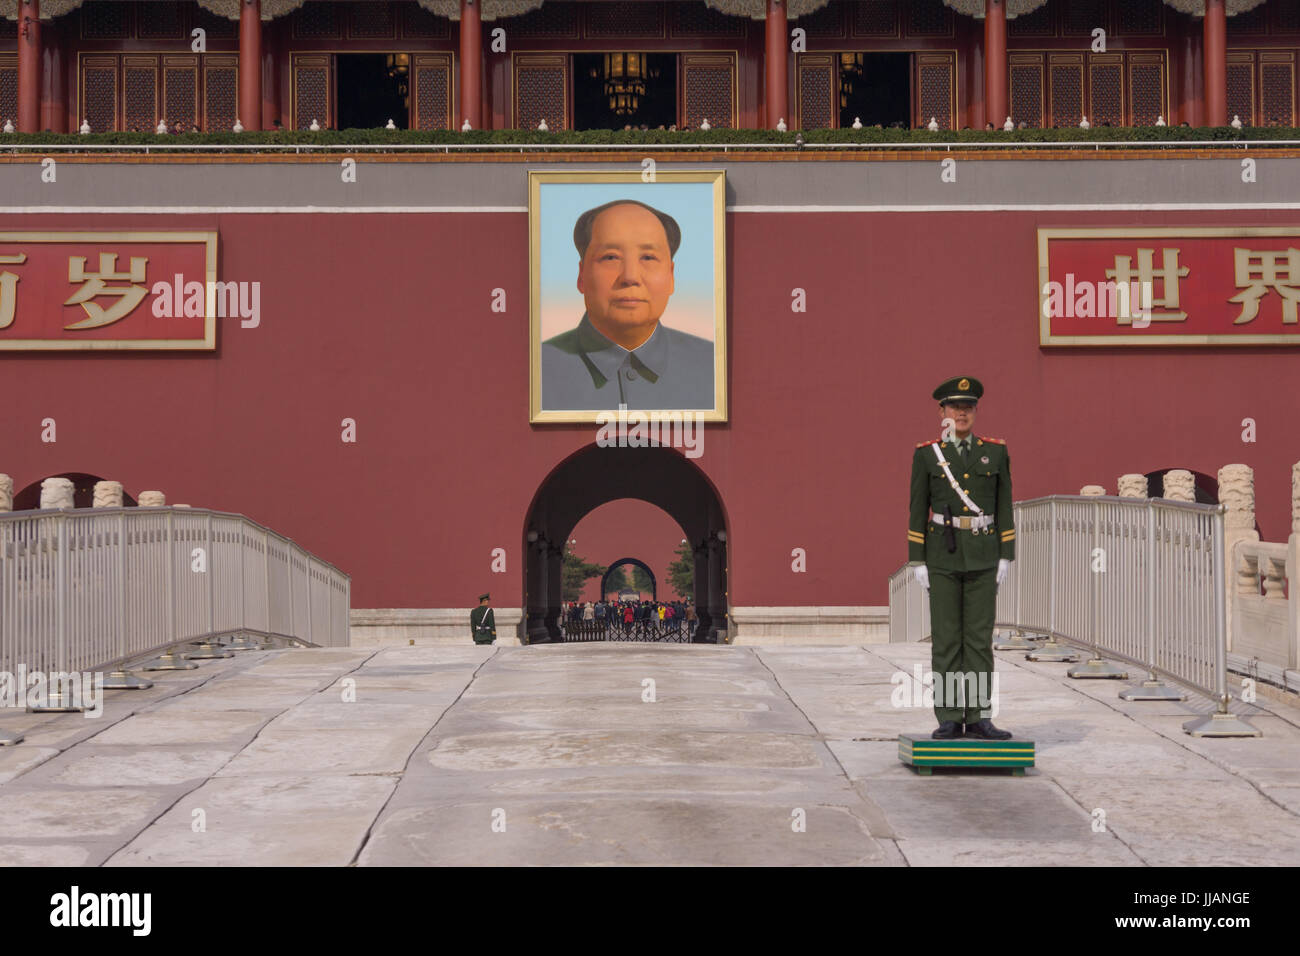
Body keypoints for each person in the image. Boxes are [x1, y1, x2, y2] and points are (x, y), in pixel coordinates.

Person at [907, 376, 1015, 741]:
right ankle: (951, 716)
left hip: (984, 555)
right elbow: (916, 508)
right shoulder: (927, 454)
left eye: (968, 407)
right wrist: (917, 560)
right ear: (943, 412)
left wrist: (1006, 554)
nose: (962, 413)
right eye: (955, 407)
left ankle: (981, 716)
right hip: (943, 557)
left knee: (979, 640)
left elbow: (1003, 506)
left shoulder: (995, 452)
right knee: (948, 639)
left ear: (975, 412)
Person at [540, 199, 715, 411]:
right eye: (611, 257)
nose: (630, 277)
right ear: (581, 276)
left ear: (671, 276)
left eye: (648, 257)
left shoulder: (715, 367)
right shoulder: (535, 369)